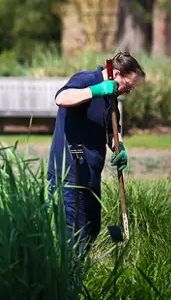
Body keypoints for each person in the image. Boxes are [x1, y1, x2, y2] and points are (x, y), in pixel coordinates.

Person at [47, 51, 145, 257]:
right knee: (74, 231)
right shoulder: (86, 79)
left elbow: (112, 131)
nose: (128, 91)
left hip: (92, 171)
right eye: (129, 85)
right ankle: (70, 278)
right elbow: (61, 98)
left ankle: (84, 272)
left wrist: (119, 148)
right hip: (69, 169)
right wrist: (96, 90)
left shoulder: (111, 99)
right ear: (116, 74)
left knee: (92, 227)